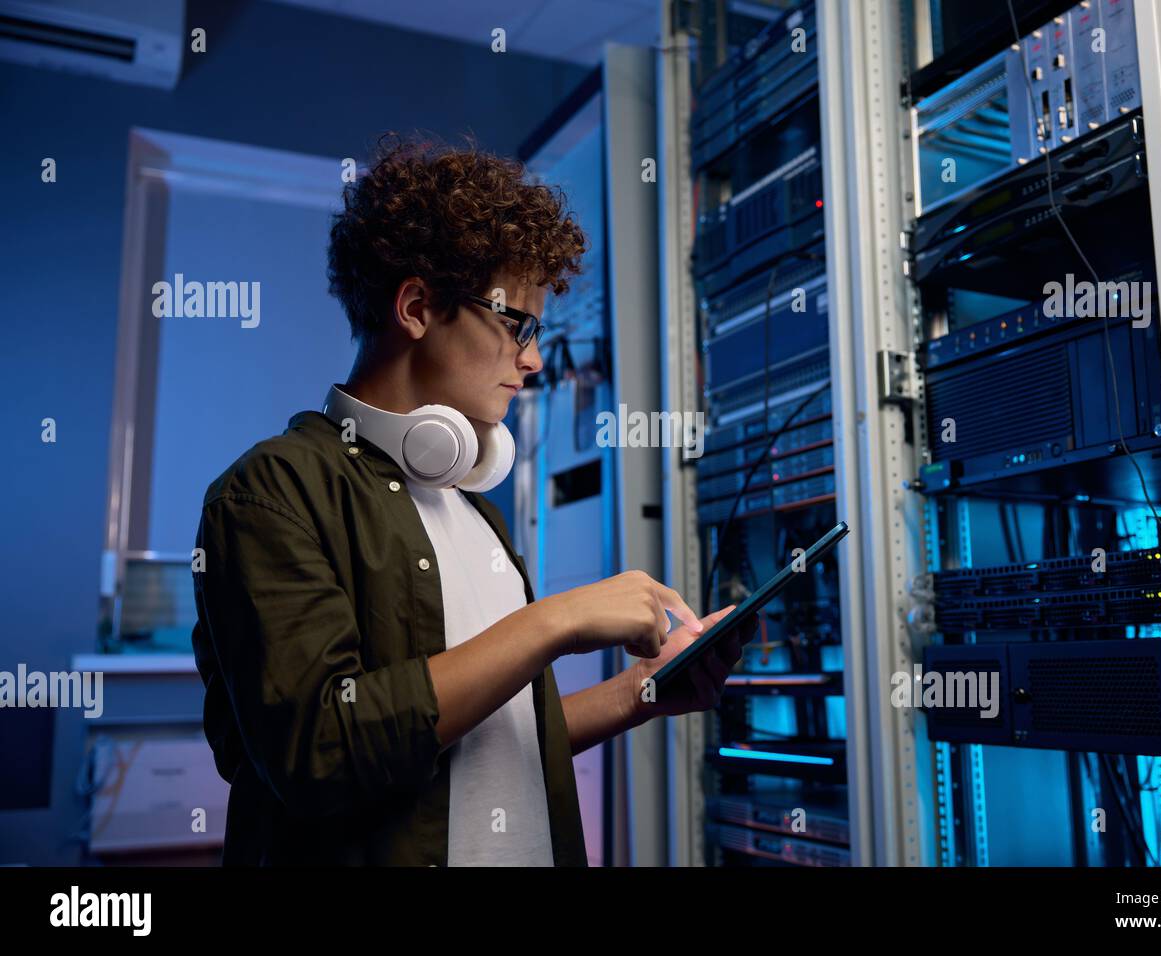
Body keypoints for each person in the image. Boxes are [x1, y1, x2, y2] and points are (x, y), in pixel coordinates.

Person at [190, 134, 750, 866]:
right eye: (515, 323)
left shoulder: (473, 511)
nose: (535, 358)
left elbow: (499, 736)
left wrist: (645, 692)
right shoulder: (269, 493)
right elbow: (322, 749)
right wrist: (558, 619)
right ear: (418, 307)